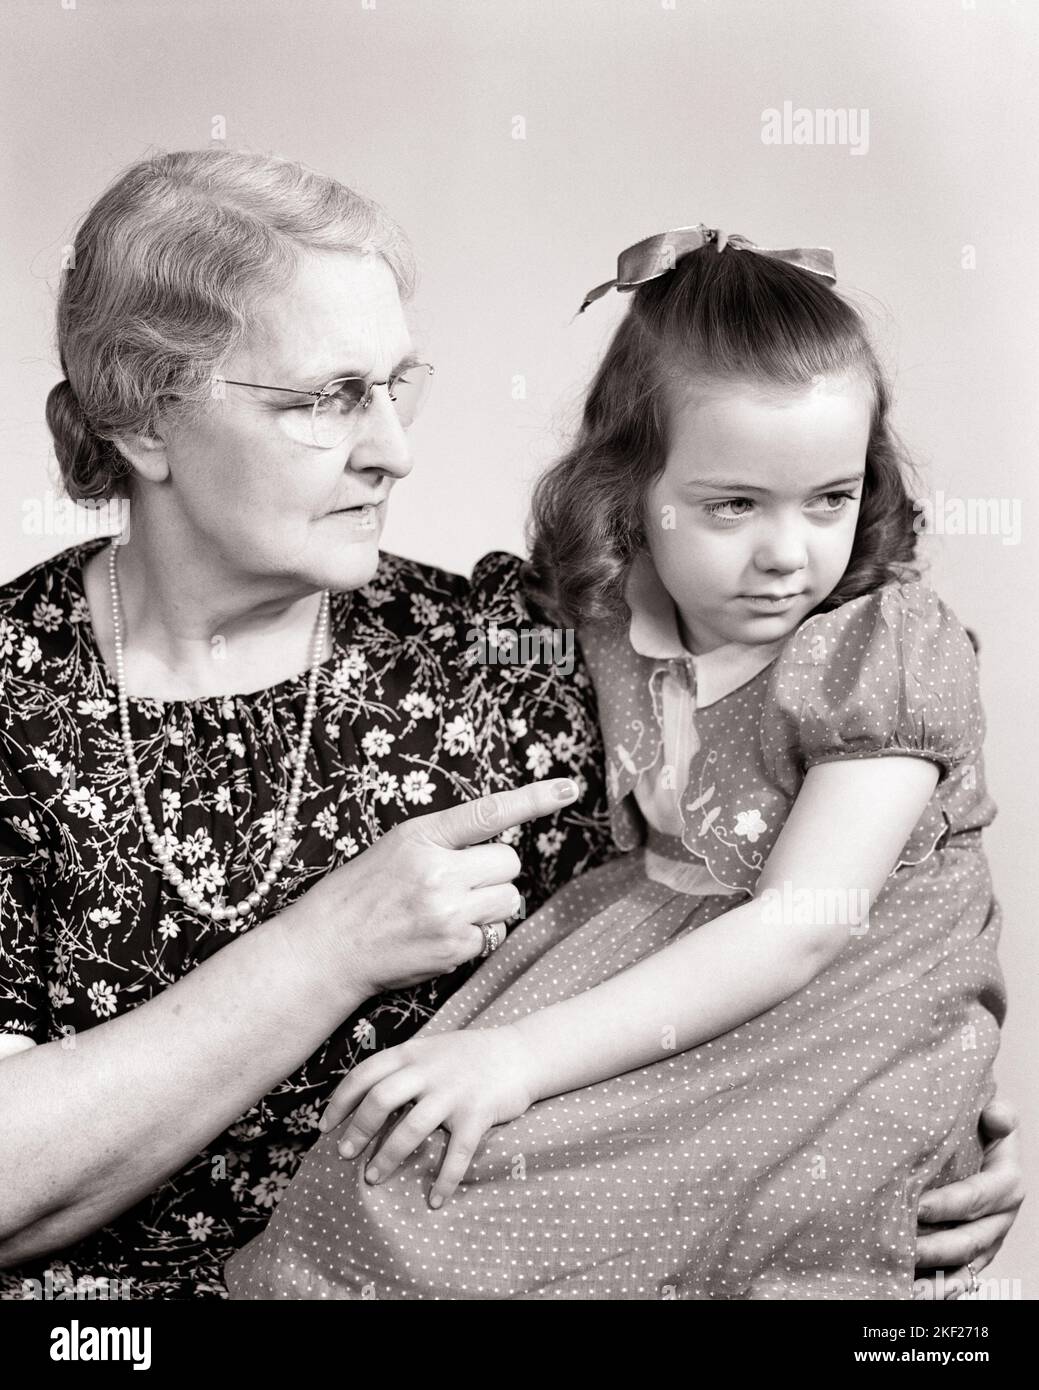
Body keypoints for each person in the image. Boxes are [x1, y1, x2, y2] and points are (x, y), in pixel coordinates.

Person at [225, 226, 1018, 1301]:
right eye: (734, 504)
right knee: (418, 1175)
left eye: (830, 498)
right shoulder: (606, 613)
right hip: (650, 956)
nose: (788, 553)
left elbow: (800, 928)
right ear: (634, 486)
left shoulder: (879, 648)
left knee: (734, 1218)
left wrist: (518, 1056)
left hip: (832, 1009)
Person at [0, 149, 611, 1300]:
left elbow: (726, 923)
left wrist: (894, 1102)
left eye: (394, 386)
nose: (393, 450)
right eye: (327, 398)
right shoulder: (11, 697)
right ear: (146, 419)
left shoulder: (498, 653)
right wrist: (329, 947)